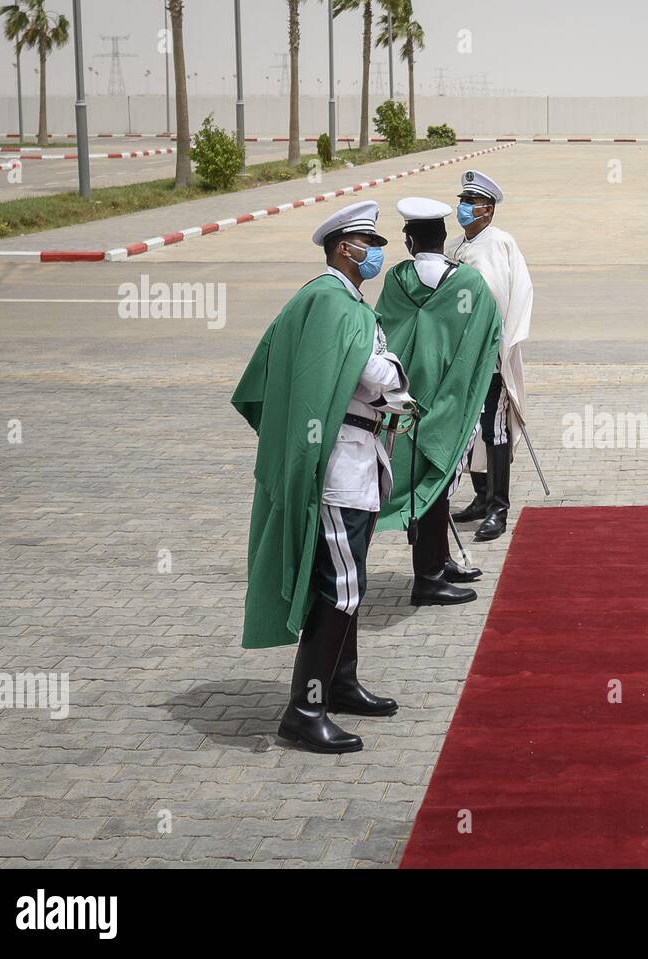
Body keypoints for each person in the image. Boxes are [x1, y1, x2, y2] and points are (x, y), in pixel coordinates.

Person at [232, 200, 412, 754]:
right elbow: (375, 372)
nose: (377, 251)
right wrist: (396, 378)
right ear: (343, 247)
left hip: (356, 461)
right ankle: (304, 709)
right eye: (369, 243)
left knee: (348, 582)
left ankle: (338, 682)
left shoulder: (338, 299)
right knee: (342, 587)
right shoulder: (332, 302)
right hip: (338, 466)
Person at [373, 197, 502, 605]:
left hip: (407, 402)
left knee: (428, 483)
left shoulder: (395, 281)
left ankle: (440, 560)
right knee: (436, 483)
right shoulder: (469, 284)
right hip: (448, 403)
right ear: (445, 237)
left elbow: (382, 334)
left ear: (409, 241)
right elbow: (486, 341)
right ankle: (427, 579)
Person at [447, 170, 534, 542]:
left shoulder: (497, 243)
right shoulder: (460, 246)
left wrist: (494, 349)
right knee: (472, 429)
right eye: (462, 201)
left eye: (471, 203)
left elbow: (497, 300)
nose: (463, 208)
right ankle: (481, 497)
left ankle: (499, 506)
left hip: (490, 357)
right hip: (464, 359)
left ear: (488, 210)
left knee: (494, 430)